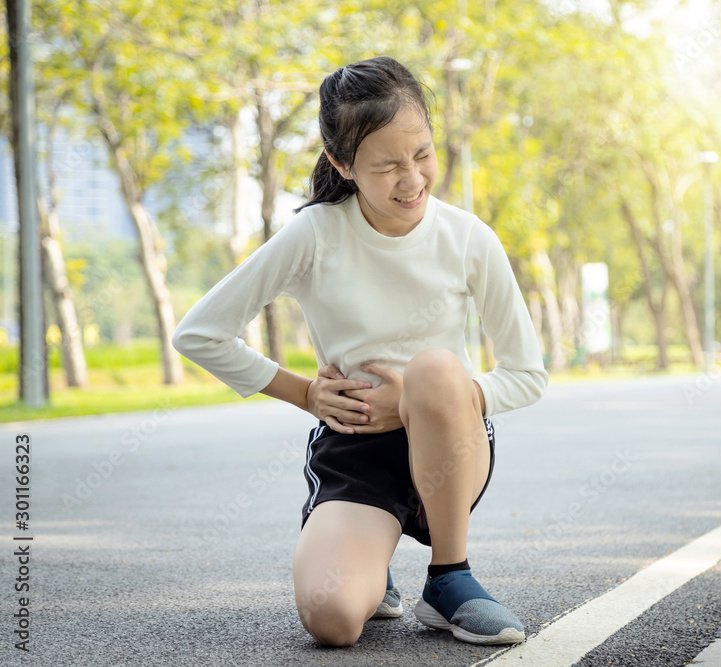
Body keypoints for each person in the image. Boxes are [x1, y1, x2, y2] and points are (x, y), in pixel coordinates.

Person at [172, 56, 547, 647]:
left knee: (435, 369)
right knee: (334, 620)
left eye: (422, 154)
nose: (413, 179)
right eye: (388, 165)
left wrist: (421, 401)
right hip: (356, 455)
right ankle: (370, 573)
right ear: (341, 164)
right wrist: (306, 394)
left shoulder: (468, 237)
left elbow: (528, 375)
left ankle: (450, 578)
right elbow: (199, 332)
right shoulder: (315, 234)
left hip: (452, 446)